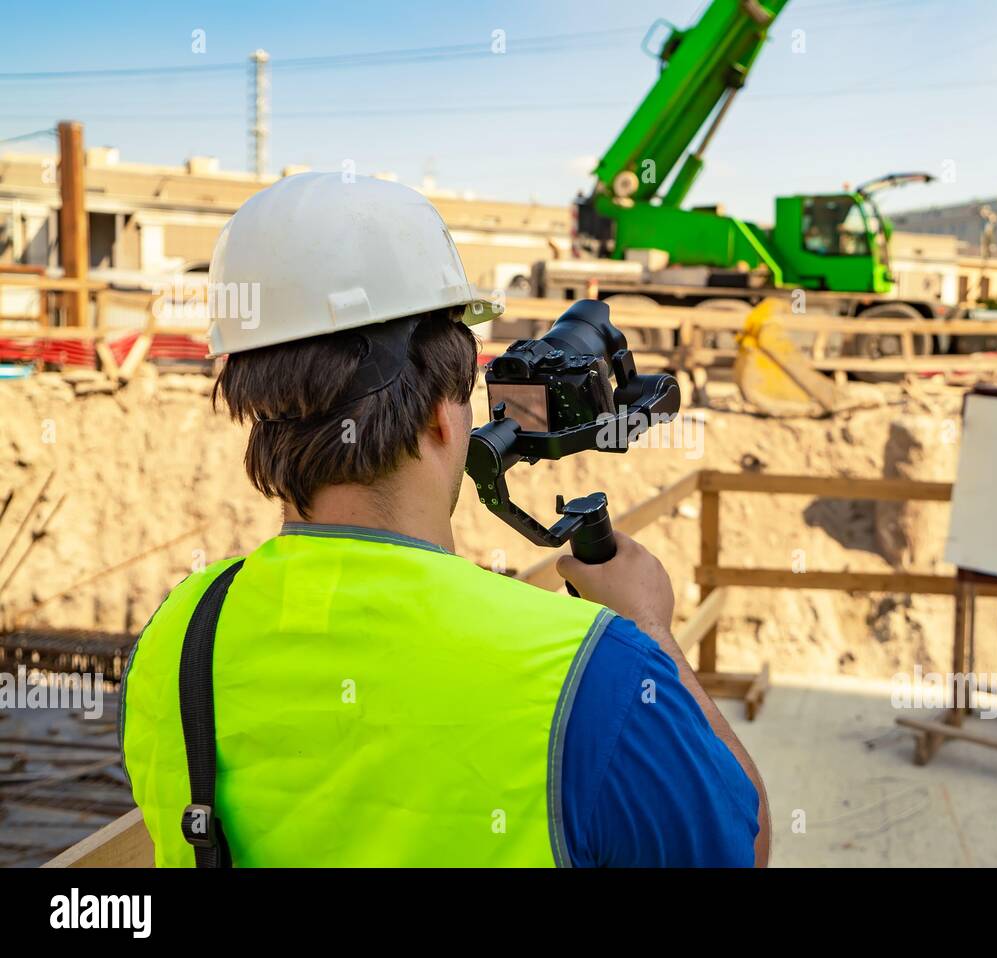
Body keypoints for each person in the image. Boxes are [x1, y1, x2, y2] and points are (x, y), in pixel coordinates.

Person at [119, 172, 770, 867]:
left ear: (255, 405)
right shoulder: (594, 674)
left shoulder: (177, 636)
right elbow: (744, 844)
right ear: (440, 417)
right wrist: (652, 630)